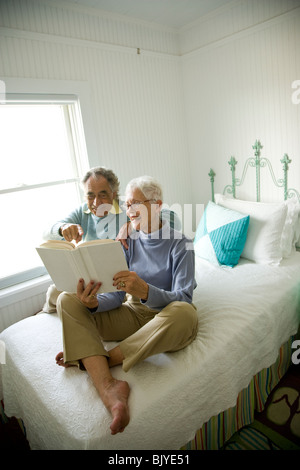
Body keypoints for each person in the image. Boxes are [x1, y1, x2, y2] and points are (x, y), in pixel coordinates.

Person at [55, 175, 198, 436]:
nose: (129, 211)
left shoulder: (181, 243)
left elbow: (184, 297)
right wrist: (94, 303)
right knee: (67, 299)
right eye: (127, 204)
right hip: (132, 315)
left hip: (166, 317)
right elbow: (117, 296)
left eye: (136, 204)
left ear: (156, 205)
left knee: (186, 313)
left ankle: (102, 360)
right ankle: (109, 387)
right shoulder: (127, 240)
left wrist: (146, 292)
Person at [42, 166, 180, 312]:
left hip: (120, 281)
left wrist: (131, 226)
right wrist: (62, 228)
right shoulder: (82, 212)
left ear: (114, 194)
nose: (96, 203)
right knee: (54, 293)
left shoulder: (128, 208)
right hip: (93, 280)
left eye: (102, 195)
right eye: (90, 195)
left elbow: (174, 220)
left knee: (125, 297)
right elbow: (46, 234)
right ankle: (54, 309)